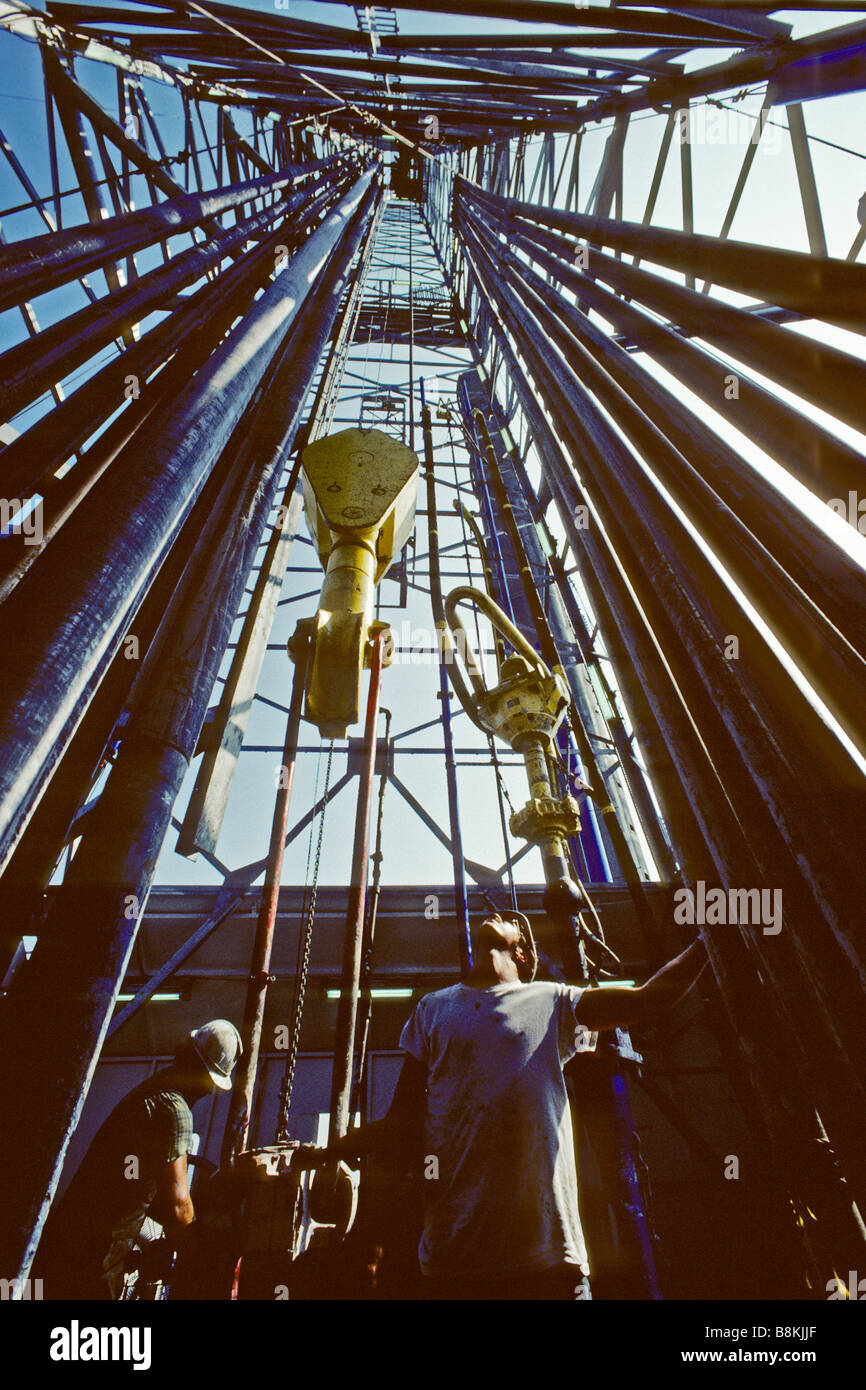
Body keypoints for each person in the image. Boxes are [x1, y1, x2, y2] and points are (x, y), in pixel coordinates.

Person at [299, 910, 707, 1300]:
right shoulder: (433, 1008)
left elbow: (648, 999)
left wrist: (709, 939)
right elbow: (401, 1124)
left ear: (523, 952)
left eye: (513, 922)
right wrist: (322, 1153)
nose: (500, 917)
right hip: (453, 1262)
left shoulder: (553, 1001)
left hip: (547, 1260)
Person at [35, 1018, 242, 1299]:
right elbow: (178, 1208)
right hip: (97, 1257)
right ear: (201, 1074)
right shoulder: (175, 1109)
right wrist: (201, 1263)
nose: (208, 1092)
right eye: (209, 1084)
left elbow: (142, 1191)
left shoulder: (153, 1087)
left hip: (64, 1238)